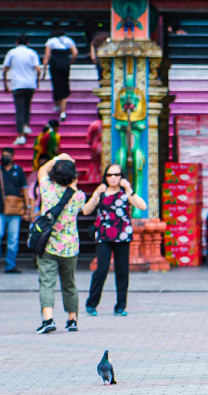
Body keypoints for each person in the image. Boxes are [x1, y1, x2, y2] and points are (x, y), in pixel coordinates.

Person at [82, 164, 147, 317]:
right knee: (101, 270)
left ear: (121, 176)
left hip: (122, 235)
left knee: (122, 271)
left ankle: (120, 306)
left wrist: (130, 189)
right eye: (109, 175)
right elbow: (86, 211)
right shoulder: (102, 192)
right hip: (104, 235)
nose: (113, 178)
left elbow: (142, 206)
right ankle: (91, 304)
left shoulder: (126, 193)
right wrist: (96, 193)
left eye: (116, 174)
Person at [36, 153, 85, 334]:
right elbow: (73, 186)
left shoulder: (47, 189)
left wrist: (58, 158)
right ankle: (72, 320)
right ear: (73, 177)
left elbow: (42, 170)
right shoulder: (78, 195)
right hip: (70, 246)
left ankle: (48, 318)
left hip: (48, 244)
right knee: (69, 283)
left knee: (46, 282)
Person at [2, 34, 41, 145]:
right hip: (30, 84)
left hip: (18, 84)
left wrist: (5, 84)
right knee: (27, 105)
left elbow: (5, 69)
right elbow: (38, 70)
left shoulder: (12, 52)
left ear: (16, 42)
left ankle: (20, 135)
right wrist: (37, 82)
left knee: (19, 109)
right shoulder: (32, 53)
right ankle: (26, 125)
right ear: (28, 42)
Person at [0, 147, 31, 274]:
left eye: (7, 155)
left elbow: (24, 190)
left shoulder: (18, 171)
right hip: (0, 209)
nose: (4, 158)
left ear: (12, 157)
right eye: (3, 155)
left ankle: (10, 265)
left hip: (15, 210)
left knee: (13, 239)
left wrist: (27, 208)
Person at [42, 31, 78, 122]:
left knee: (56, 84)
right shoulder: (68, 40)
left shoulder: (51, 41)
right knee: (64, 84)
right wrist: (71, 62)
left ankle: (58, 105)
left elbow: (47, 55)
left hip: (55, 64)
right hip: (65, 64)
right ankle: (63, 110)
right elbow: (75, 53)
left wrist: (44, 67)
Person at [85, 116, 103, 183]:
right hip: (104, 145)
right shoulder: (107, 124)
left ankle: (94, 179)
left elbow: (89, 140)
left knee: (95, 164)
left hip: (95, 146)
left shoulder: (94, 124)